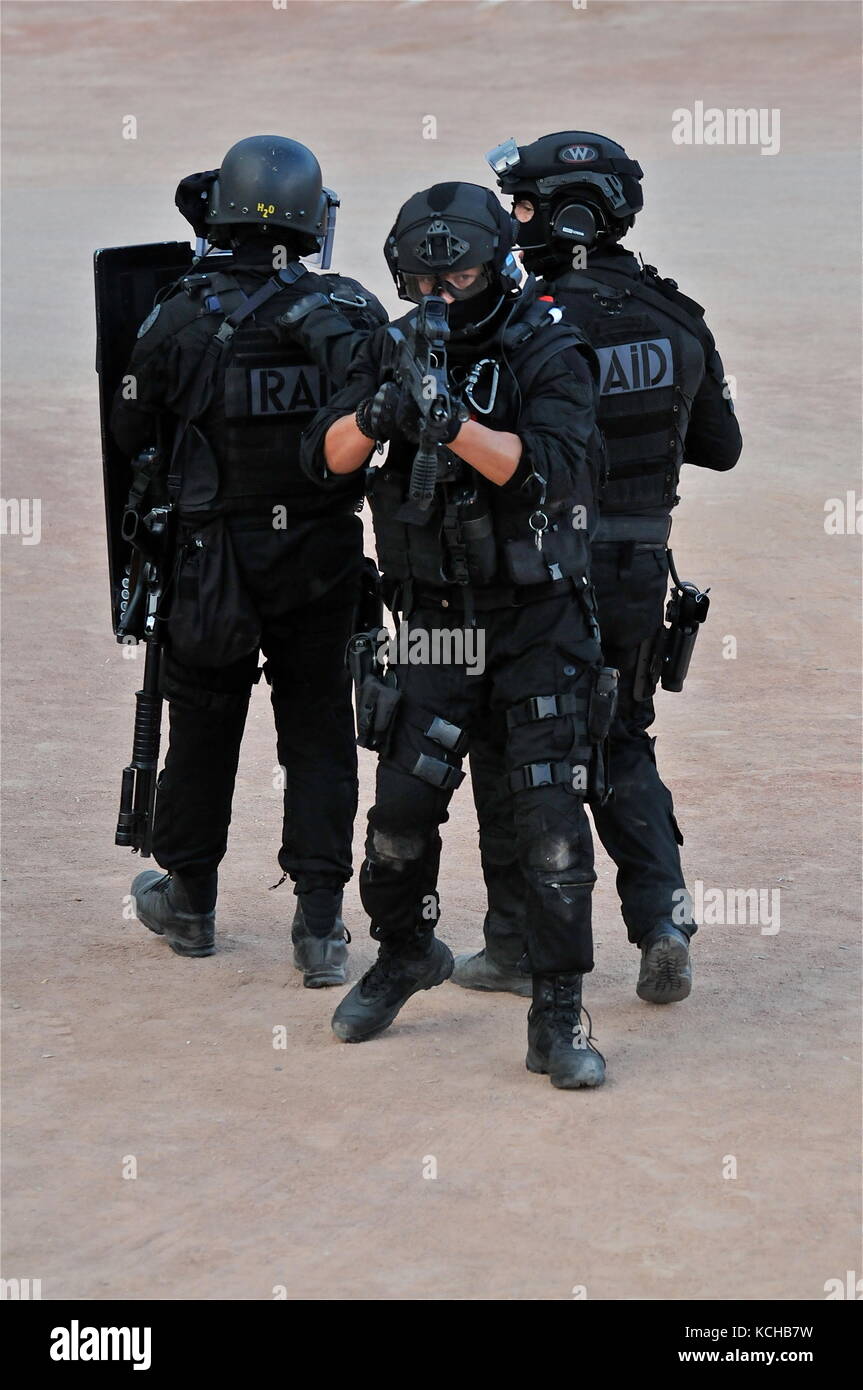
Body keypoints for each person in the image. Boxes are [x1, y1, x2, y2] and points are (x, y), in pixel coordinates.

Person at [300, 181, 615, 1089]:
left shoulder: (546, 341)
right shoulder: (387, 344)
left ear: (498, 267)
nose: (442, 295)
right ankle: (405, 952)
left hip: (537, 620)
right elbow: (319, 461)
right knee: (398, 817)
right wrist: (375, 419)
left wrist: (454, 426)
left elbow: (550, 471)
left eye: (462, 275)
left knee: (549, 822)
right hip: (437, 623)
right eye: (423, 281)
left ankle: (557, 1011)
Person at [453, 131, 743, 1005]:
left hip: (535, 566)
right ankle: (660, 921)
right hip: (636, 567)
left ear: (565, 211)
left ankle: (511, 945)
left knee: (512, 741)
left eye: (524, 205)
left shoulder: (521, 321)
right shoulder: (673, 315)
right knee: (621, 736)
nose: (512, 221)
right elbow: (719, 449)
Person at [111, 135, 387, 985]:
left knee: (201, 725)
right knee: (318, 731)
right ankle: (320, 929)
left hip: (209, 559)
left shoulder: (178, 313)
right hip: (320, 556)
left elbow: (131, 435)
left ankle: (190, 903)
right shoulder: (348, 310)